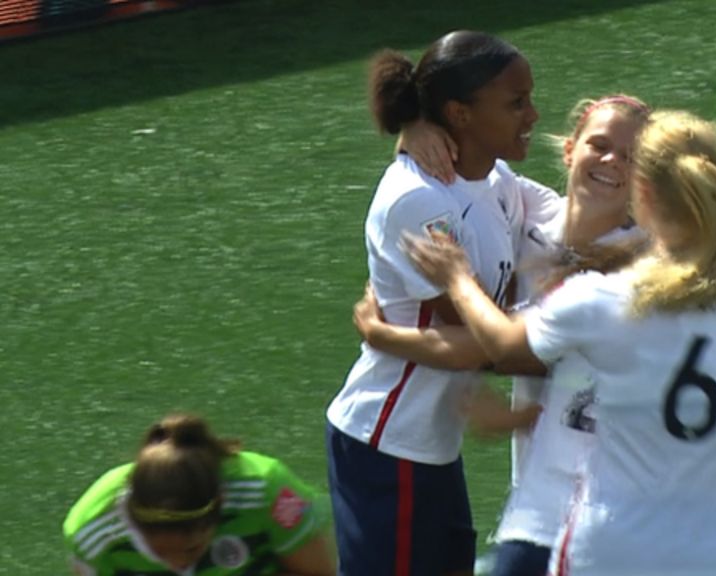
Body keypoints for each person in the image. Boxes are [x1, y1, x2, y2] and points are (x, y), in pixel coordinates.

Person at [402, 110, 716, 575]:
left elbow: (505, 347)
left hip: (615, 547)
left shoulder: (604, 300)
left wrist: (456, 277)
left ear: (643, 195)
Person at [325, 30, 550, 576]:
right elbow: (480, 339)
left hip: (431, 445)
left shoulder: (494, 179)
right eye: (515, 103)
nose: (534, 115)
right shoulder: (420, 202)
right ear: (460, 114)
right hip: (387, 446)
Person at [62, 414, 333, 576]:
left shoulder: (267, 491)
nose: (179, 564)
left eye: (192, 548)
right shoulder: (92, 532)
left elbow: (318, 573)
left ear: (220, 507)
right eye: (160, 551)